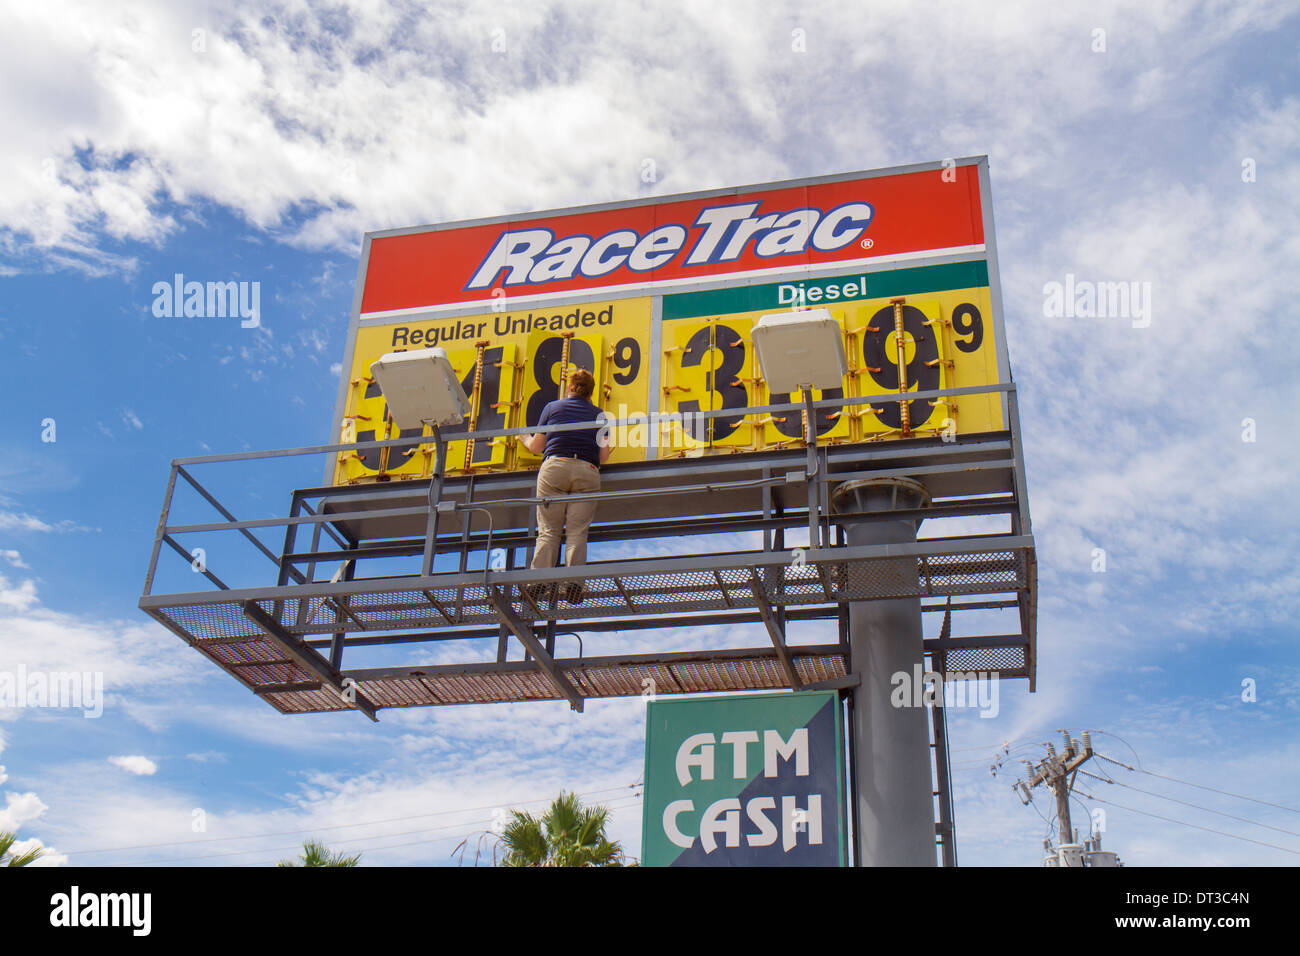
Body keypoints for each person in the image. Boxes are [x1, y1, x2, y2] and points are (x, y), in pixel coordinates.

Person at [522, 368, 611, 605]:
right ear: (591, 393)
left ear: (569, 387)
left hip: (555, 467)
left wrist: (524, 438)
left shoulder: (553, 408)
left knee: (549, 530)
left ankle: (539, 581)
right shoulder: (601, 415)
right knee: (577, 532)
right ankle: (572, 584)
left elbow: (536, 446)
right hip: (587, 471)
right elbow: (604, 457)